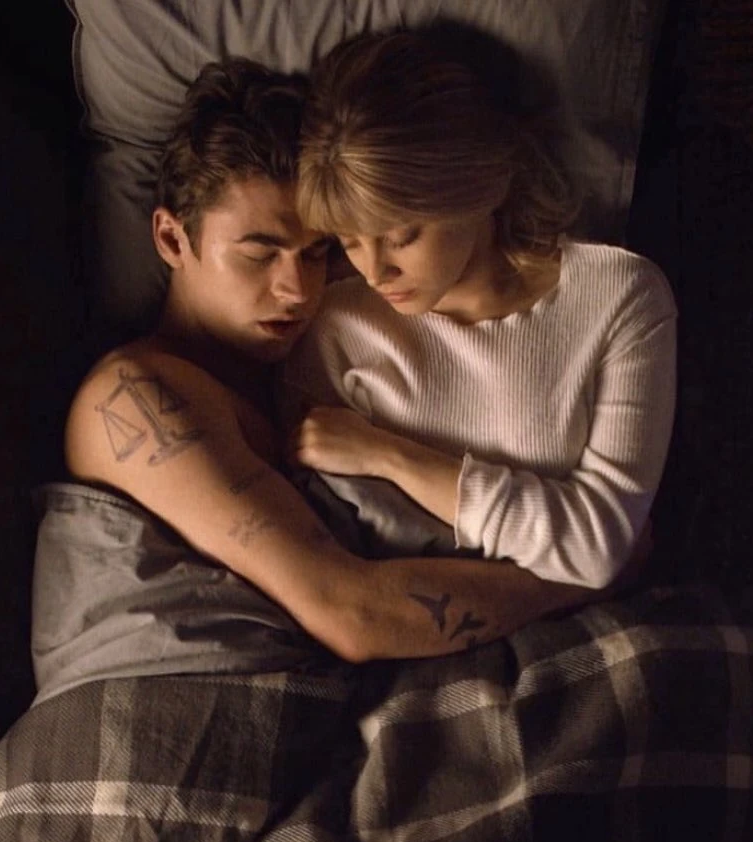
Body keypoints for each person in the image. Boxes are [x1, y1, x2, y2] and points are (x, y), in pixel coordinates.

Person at [64, 57, 615, 666]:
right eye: (260, 254)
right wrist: (582, 577)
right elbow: (353, 616)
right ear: (172, 239)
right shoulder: (133, 395)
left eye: (318, 253)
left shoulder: (307, 376)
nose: (298, 290)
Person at [287, 25, 677, 590]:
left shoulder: (620, 299)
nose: (374, 272)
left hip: (589, 624)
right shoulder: (335, 323)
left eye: (401, 237)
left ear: (481, 187)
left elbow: (599, 547)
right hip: (401, 620)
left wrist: (388, 455)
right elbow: (326, 556)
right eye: (348, 241)